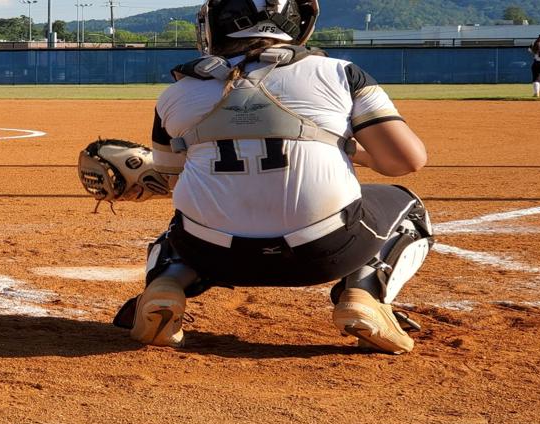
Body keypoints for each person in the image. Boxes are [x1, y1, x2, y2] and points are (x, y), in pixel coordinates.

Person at [115, 0, 433, 353]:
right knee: (409, 208)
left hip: (214, 256)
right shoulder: (341, 73)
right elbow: (406, 160)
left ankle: (166, 286)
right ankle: (365, 293)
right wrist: (348, 149)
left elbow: (173, 180)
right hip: (324, 253)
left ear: (215, 26)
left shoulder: (176, 92)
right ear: (298, 24)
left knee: (181, 224)